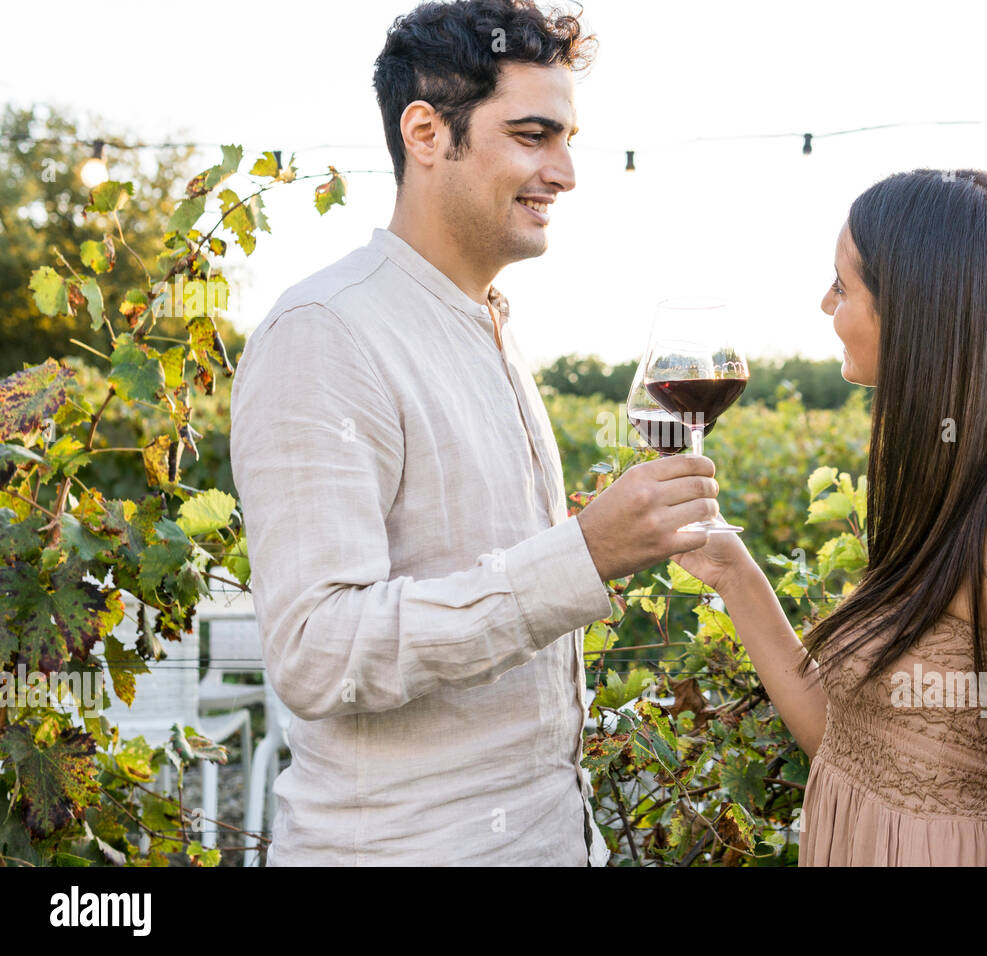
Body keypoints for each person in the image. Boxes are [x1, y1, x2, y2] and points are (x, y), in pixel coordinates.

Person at [228, 0, 720, 866]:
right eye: (533, 134)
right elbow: (318, 652)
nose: (564, 172)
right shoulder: (325, 331)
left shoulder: (489, 323)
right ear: (425, 133)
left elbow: (481, 580)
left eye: (568, 138)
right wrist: (583, 555)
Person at [673, 169, 987, 866]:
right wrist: (733, 576)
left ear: (920, 306)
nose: (824, 302)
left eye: (843, 284)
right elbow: (851, 743)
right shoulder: (950, 492)